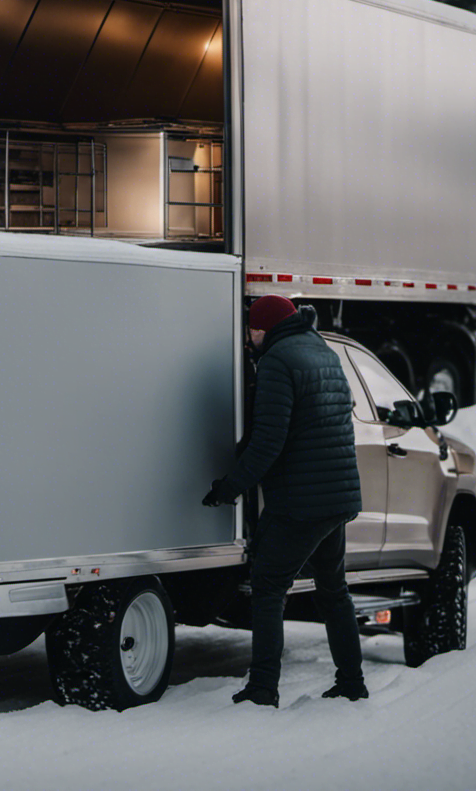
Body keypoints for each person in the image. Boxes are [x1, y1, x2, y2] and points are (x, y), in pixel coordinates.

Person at [202, 295, 365, 707]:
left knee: (268, 586)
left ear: (262, 330)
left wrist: (230, 487)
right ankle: (351, 681)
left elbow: (268, 441)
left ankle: (262, 687)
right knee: (333, 590)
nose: (249, 341)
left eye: (251, 333)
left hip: (301, 502)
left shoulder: (277, 360)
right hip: (336, 496)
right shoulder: (321, 349)